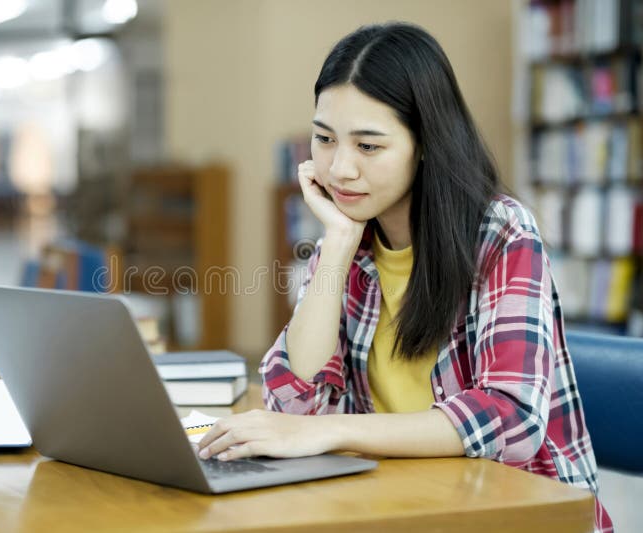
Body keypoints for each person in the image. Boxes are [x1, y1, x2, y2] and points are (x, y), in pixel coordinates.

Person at [196, 22, 612, 532]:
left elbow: (510, 417)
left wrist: (331, 434)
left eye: (368, 147)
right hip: (404, 504)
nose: (339, 169)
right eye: (324, 139)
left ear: (425, 143)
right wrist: (339, 246)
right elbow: (295, 400)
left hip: (517, 510)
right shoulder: (347, 239)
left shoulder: (501, 232)